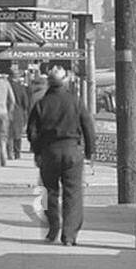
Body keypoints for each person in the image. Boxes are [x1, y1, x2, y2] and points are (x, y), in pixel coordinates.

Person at [27, 64, 95, 245]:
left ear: (49, 83)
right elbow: (88, 126)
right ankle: (69, 234)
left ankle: (53, 227)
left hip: (49, 151)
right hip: (72, 150)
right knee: (73, 193)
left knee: (49, 192)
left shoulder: (41, 103)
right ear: (65, 81)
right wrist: (90, 151)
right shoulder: (76, 101)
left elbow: (32, 131)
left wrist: (37, 151)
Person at [10, 73, 30, 159]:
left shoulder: (8, 86)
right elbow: (25, 102)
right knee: (18, 134)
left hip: (8, 110)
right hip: (19, 111)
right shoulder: (21, 88)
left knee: (9, 133)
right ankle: (17, 153)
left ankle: (9, 152)